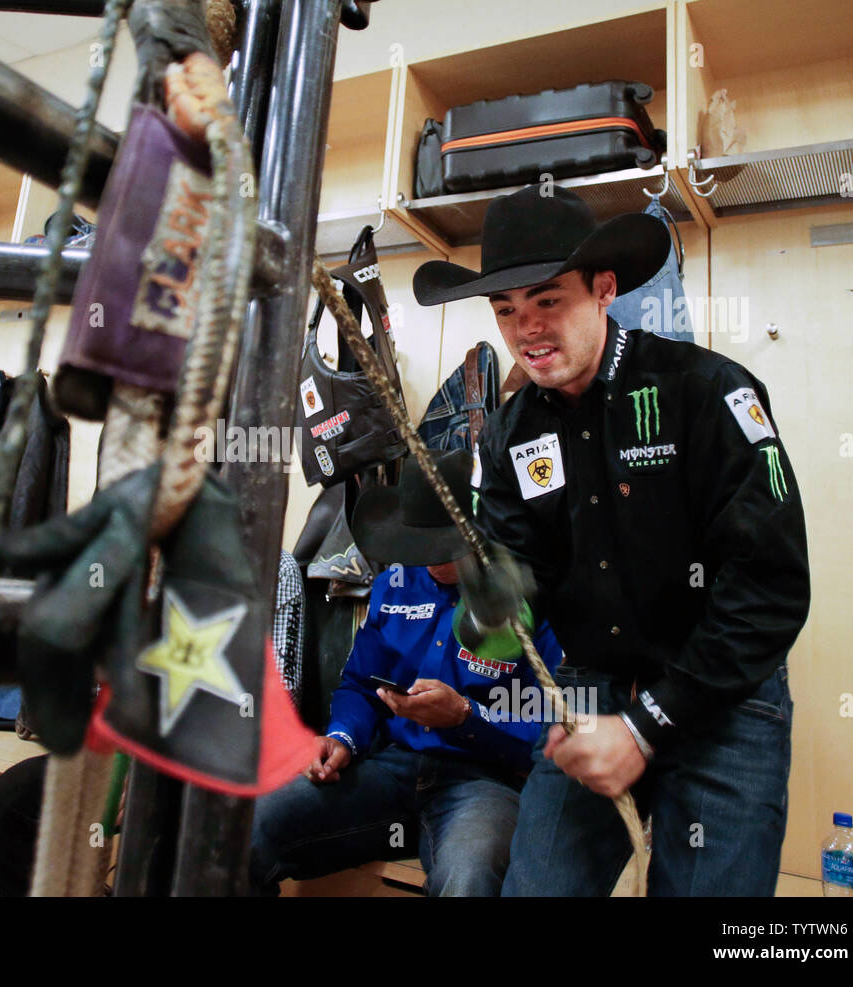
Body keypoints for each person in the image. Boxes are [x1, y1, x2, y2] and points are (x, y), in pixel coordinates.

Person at [414, 184, 810, 896]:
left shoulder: (707, 392)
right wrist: (487, 611)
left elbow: (771, 590)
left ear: (603, 288)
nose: (526, 329)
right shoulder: (506, 436)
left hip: (723, 698)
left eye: (546, 301)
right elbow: (513, 610)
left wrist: (647, 723)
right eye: (505, 310)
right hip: (588, 696)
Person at [250, 450, 563, 897]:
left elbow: (552, 730)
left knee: (469, 876)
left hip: (482, 783)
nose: (430, 561)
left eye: (443, 546)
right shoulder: (396, 584)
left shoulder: (529, 601)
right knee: (252, 824)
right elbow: (360, 683)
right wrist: (341, 738)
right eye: (420, 544)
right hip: (390, 769)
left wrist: (466, 718)